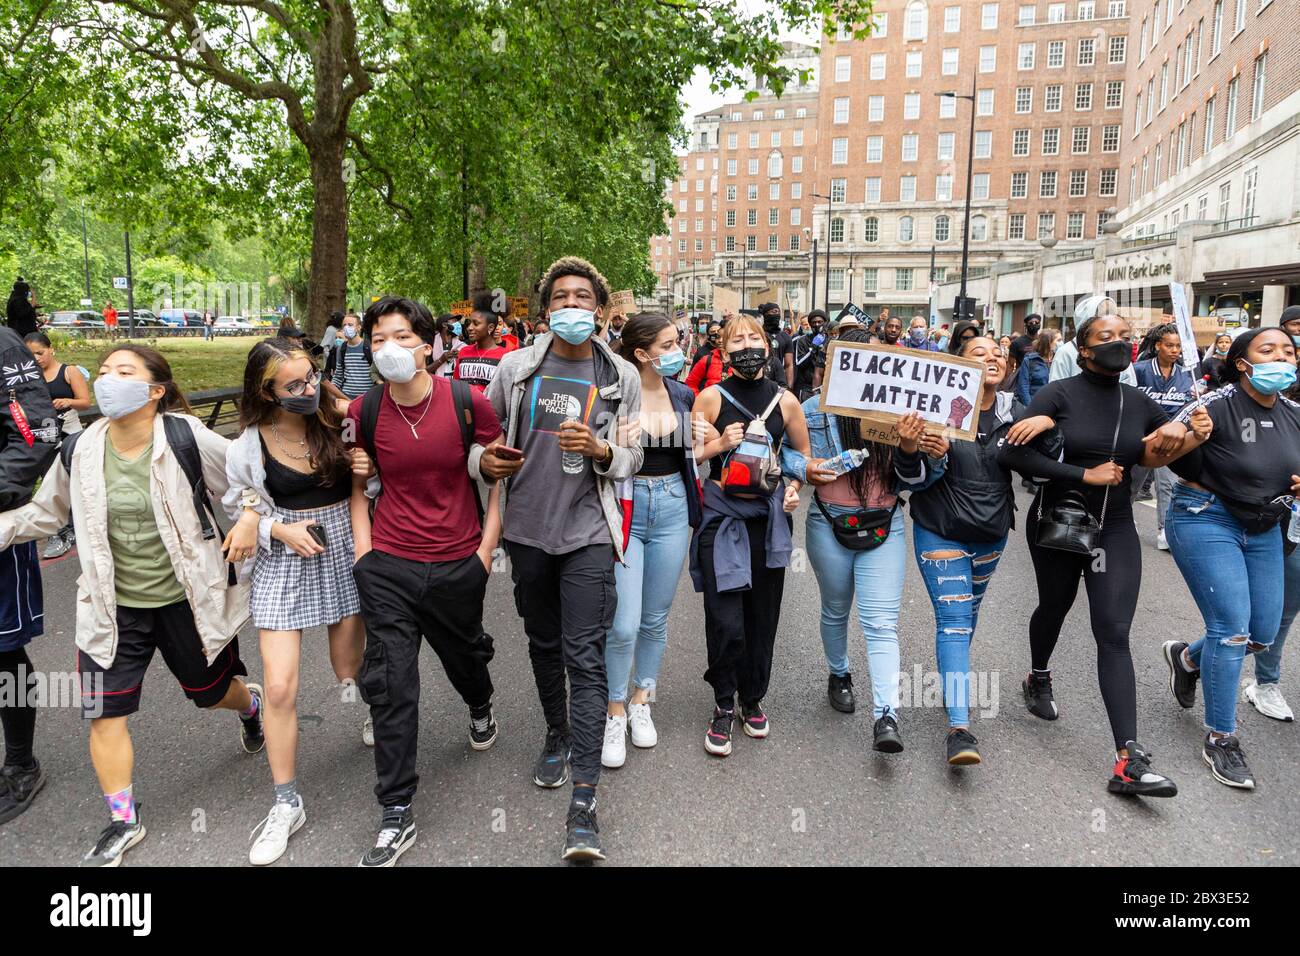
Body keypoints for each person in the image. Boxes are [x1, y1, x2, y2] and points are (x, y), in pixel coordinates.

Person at [0, 344, 263, 864]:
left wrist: (251, 516)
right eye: (102, 372)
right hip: (112, 606)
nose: (106, 380)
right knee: (104, 713)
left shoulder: (187, 436)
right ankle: (123, 820)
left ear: (155, 390)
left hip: (185, 600)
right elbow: (46, 514)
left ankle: (250, 705)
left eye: (124, 372)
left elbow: (245, 478)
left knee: (210, 695)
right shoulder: (79, 451)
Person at [998, 311, 1209, 797]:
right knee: (1054, 606)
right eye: (1106, 336)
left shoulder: (1140, 402)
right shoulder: (1059, 394)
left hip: (1113, 529)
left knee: (1113, 632)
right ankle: (1039, 675)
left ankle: (1128, 759)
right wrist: (1081, 474)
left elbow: (1190, 465)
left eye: (1125, 336)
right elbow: (1010, 454)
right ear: (1085, 349)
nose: (1120, 342)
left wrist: (1193, 433)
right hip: (1060, 522)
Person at [486, 256, 643, 863]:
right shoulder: (514, 367)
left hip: (589, 531)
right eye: (560, 298)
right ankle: (556, 730)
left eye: (582, 298)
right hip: (526, 531)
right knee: (544, 641)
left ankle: (584, 798)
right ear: (545, 309)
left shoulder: (621, 376)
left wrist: (602, 447)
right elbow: (487, 437)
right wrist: (486, 463)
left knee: (585, 649)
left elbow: (632, 457)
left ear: (599, 311)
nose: (571, 306)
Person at [345, 296, 506, 867]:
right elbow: (359, 482)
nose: (388, 348)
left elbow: (497, 475)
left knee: (464, 653)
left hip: (459, 560)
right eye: (378, 338)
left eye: (401, 336)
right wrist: (365, 553)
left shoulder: (468, 403)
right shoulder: (363, 410)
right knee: (390, 681)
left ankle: (480, 701)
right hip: (387, 562)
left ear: (429, 345)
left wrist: (486, 550)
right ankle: (395, 811)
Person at [220, 339, 367, 864]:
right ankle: (287, 802)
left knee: (349, 669)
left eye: (311, 377)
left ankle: (376, 704)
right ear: (267, 391)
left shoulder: (337, 418)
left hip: (343, 544)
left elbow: (375, 456)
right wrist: (274, 527)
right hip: (285, 556)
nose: (308, 389)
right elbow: (243, 501)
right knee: (280, 686)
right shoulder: (247, 445)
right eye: (294, 385)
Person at [782, 326, 947, 754]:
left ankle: (886, 715)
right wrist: (805, 468)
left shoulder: (905, 413)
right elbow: (786, 451)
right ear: (837, 363)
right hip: (828, 523)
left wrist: (914, 448)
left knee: (880, 623)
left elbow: (920, 481)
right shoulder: (813, 407)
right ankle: (839, 673)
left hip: (885, 523)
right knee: (835, 608)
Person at [1160, 327, 1300, 789]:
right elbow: (1156, 449)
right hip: (1205, 517)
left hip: (1265, 527)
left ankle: (1188, 661)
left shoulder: (1295, 414)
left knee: (1261, 632)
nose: (1282, 356)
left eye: (1289, 351)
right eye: (1269, 349)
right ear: (1243, 362)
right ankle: (1221, 738)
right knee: (1233, 630)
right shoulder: (1213, 403)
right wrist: (1186, 436)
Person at [910, 336, 1052, 764]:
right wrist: (915, 449)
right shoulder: (933, 408)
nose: (992, 359)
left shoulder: (1018, 413)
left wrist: (1047, 428)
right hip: (940, 529)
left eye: (998, 355)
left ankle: (950, 680)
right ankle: (959, 728)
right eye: (978, 353)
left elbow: (1042, 466)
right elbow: (910, 478)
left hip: (992, 532)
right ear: (956, 364)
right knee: (953, 621)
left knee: (968, 617)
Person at [689, 314, 818, 758]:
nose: (747, 346)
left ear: (767, 346)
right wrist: (720, 445)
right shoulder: (708, 399)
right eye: (736, 340)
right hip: (721, 521)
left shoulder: (786, 403)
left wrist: (795, 488)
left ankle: (752, 698)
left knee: (763, 616)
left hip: (768, 522)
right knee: (725, 619)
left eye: (754, 338)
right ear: (722, 352)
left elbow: (803, 456)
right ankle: (723, 702)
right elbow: (688, 460)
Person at [601, 313, 703, 769]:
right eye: (667, 343)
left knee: (655, 618)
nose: (677, 349)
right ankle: (615, 708)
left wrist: (708, 443)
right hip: (628, 507)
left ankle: (642, 698)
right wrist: (613, 443)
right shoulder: (615, 395)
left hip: (673, 506)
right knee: (623, 622)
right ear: (642, 354)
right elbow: (597, 457)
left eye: (675, 341)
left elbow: (694, 455)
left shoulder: (683, 394)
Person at [0, 322, 58, 827]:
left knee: (2, 648)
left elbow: (37, 435)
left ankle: (21, 762)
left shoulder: (4, 347)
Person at [25, 332, 91, 559]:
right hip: (43, 433)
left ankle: (77, 526)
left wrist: (68, 401)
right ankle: (60, 529)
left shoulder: (69, 371)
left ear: (51, 349)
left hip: (70, 432)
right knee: (50, 481)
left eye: (40, 353)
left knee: (75, 479)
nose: (36, 358)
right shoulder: (29, 376)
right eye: (31, 355)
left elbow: (85, 402)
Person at [1132, 323, 1196, 551]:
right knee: (1132, 483)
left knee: (1167, 485)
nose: (1174, 350)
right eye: (1169, 345)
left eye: (1178, 346)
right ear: (1158, 345)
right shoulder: (1139, 370)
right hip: (1141, 437)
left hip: (1171, 439)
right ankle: (1125, 518)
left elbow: (1190, 405)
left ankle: (1164, 531)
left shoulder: (1188, 375)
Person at [1049, 296, 1137, 385]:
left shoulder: (1117, 347)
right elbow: (1056, 387)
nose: (1107, 320)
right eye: (1105, 337)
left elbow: (1129, 383)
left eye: (1125, 338)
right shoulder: (1066, 352)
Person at [454, 291, 511, 393]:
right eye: (469, 323)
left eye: (476, 324)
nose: (469, 328)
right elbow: (455, 387)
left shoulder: (506, 357)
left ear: (490, 327)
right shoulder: (463, 352)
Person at [321, 311, 372, 411]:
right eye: (344, 325)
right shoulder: (342, 349)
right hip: (346, 398)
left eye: (350, 325)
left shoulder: (369, 347)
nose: (346, 327)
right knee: (349, 426)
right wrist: (332, 389)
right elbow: (339, 375)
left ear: (359, 327)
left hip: (367, 399)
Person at [790, 310, 828, 400]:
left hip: (826, 387)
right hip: (807, 388)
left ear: (825, 323)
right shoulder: (802, 340)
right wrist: (812, 348)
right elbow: (799, 363)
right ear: (810, 324)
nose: (817, 325)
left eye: (820, 322)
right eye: (814, 322)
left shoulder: (830, 340)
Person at [1015, 328, 1059, 406]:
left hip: (1053, 406)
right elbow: (1023, 386)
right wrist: (1030, 407)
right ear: (1049, 342)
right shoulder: (1030, 360)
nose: (1060, 343)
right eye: (1058, 340)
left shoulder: (1059, 359)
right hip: (1035, 404)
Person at [759, 302, 794, 386]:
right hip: (760, 380)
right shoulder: (758, 335)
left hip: (779, 381)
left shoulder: (785, 337)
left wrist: (789, 387)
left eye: (778, 312)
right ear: (766, 315)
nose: (776, 314)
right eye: (773, 312)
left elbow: (789, 365)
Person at [685, 324, 727, 395]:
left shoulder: (737, 360)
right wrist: (699, 399)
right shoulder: (706, 358)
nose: (720, 340)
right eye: (718, 337)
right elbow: (691, 382)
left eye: (724, 337)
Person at [430, 313, 465, 379]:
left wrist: (461, 356)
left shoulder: (462, 345)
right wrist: (441, 360)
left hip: (457, 386)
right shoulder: (431, 345)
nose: (458, 324)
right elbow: (425, 370)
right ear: (444, 325)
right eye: (454, 321)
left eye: (457, 321)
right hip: (438, 385)